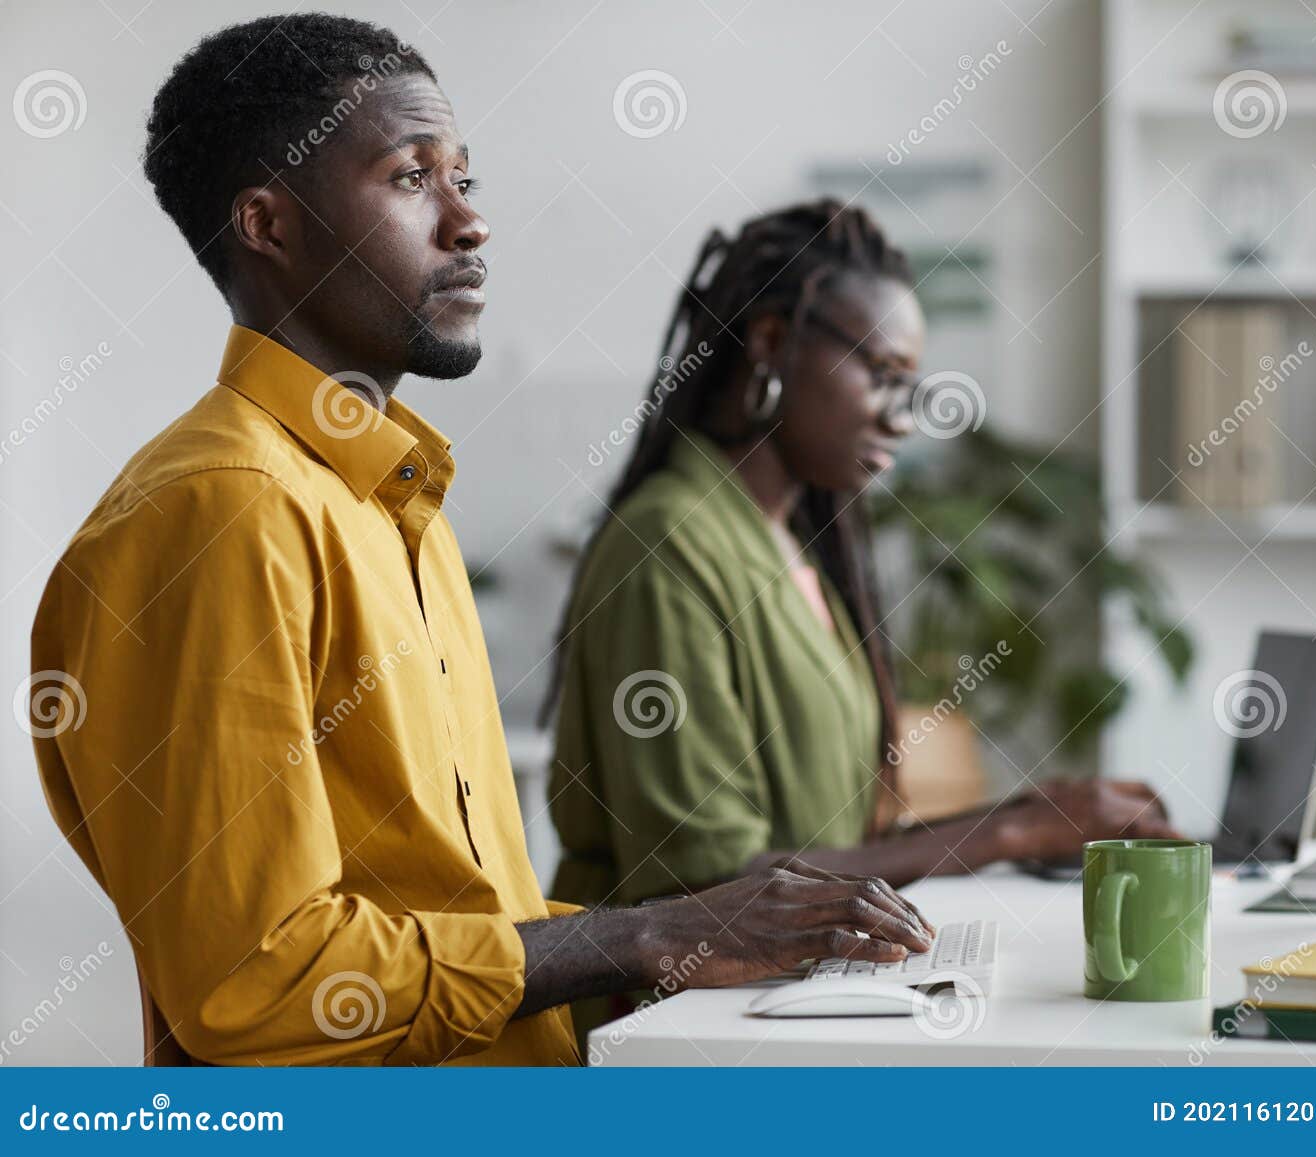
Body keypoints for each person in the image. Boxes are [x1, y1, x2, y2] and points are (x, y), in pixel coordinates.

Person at [27, 15, 932, 1068]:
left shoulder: (396, 503)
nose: (470, 222)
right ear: (268, 224)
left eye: (465, 178)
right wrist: (642, 932)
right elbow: (256, 980)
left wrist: (701, 929)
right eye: (413, 177)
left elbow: (464, 912)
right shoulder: (220, 512)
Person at [545, 201, 1181, 910]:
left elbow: (831, 843)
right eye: (881, 373)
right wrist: (1011, 832)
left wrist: (1036, 816)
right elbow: (706, 886)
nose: (901, 418)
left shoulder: (784, 544)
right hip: (662, 984)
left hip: (792, 972)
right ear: (771, 340)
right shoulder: (670, 547)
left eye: (908, 388)